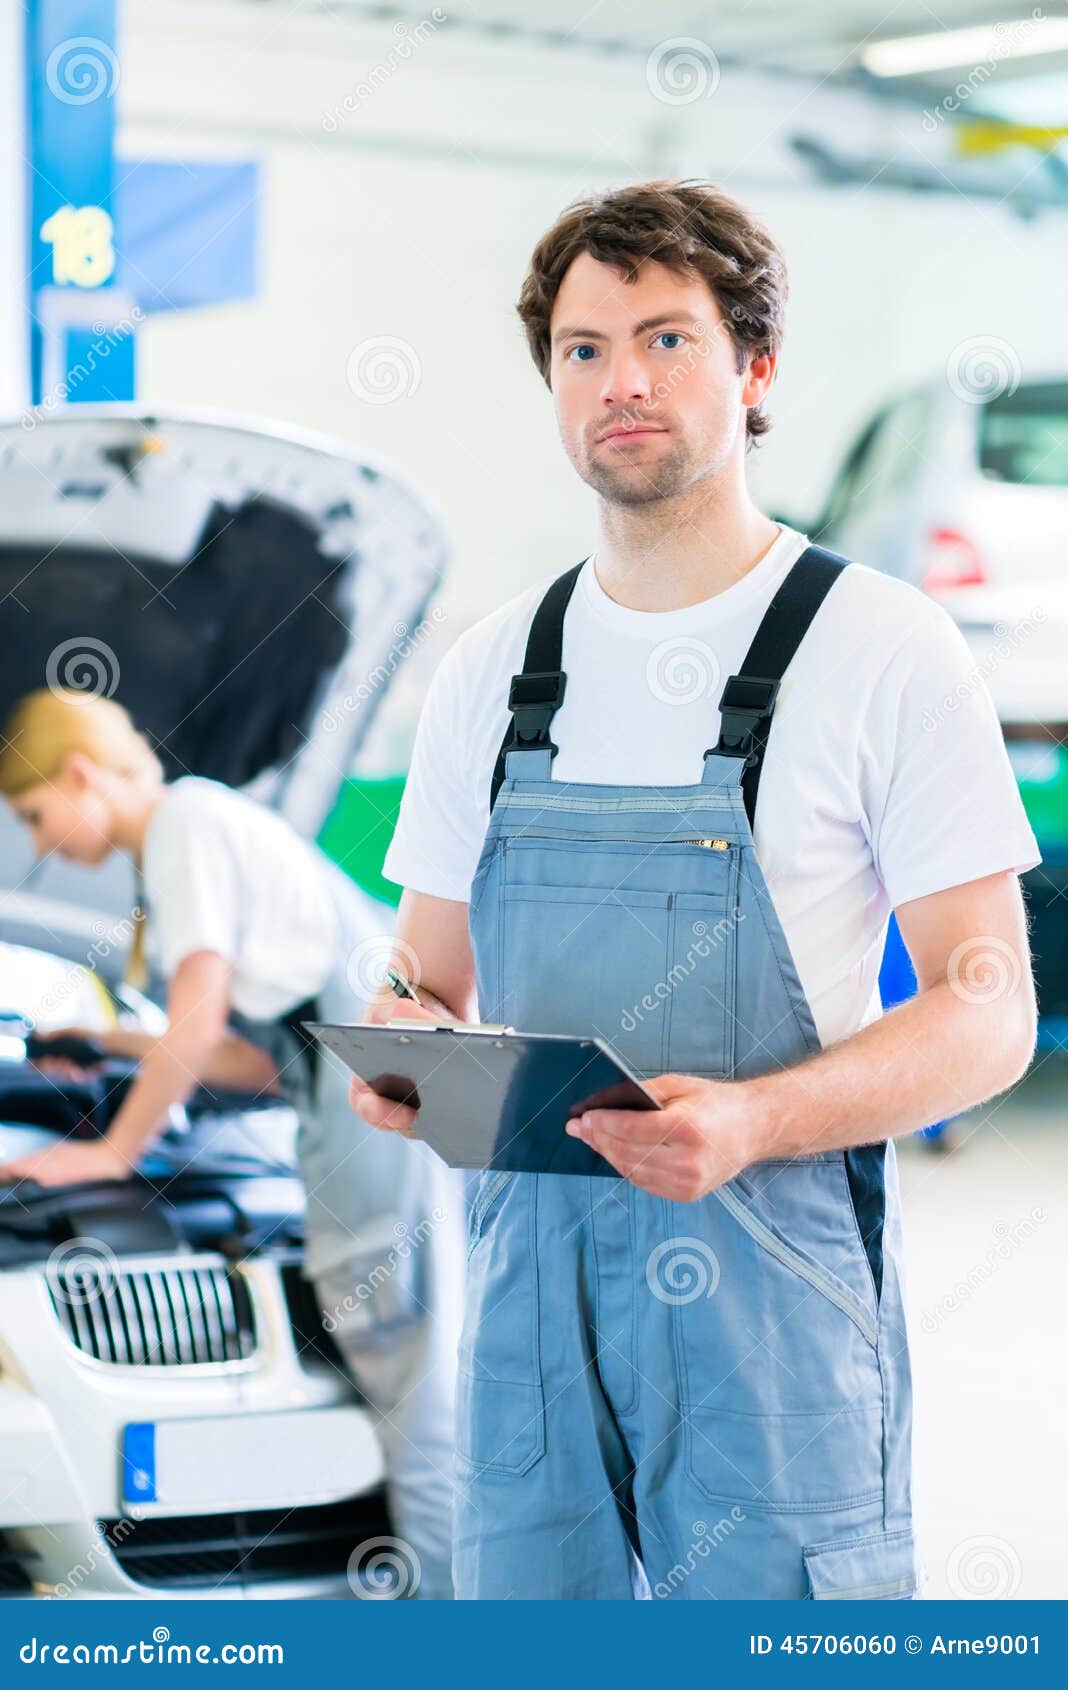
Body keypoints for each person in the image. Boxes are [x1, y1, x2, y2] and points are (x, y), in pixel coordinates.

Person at [347, 179, 1041, 1600]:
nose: (623, 382)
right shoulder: (490, 670)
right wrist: (404, 1049)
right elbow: (427, 973)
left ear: (756, 366)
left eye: (667, 338)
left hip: (767, 1296)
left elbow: (991, 1010)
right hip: (532, 1297)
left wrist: (758, 1116)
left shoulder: (882, 648)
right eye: (584, 350)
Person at [0, 688, 464, 1600]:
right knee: (421, 1393)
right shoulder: (208, 820)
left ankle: (453, 1631)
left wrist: (109, 1154)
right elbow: (249, 1060)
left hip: (376, 1112)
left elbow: (199, 1008)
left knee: (422, 1404)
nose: (40, 842)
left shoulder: (185, 825)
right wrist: (108, 1045)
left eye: (36, 812)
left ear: (83, 774)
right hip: (367, 1100)